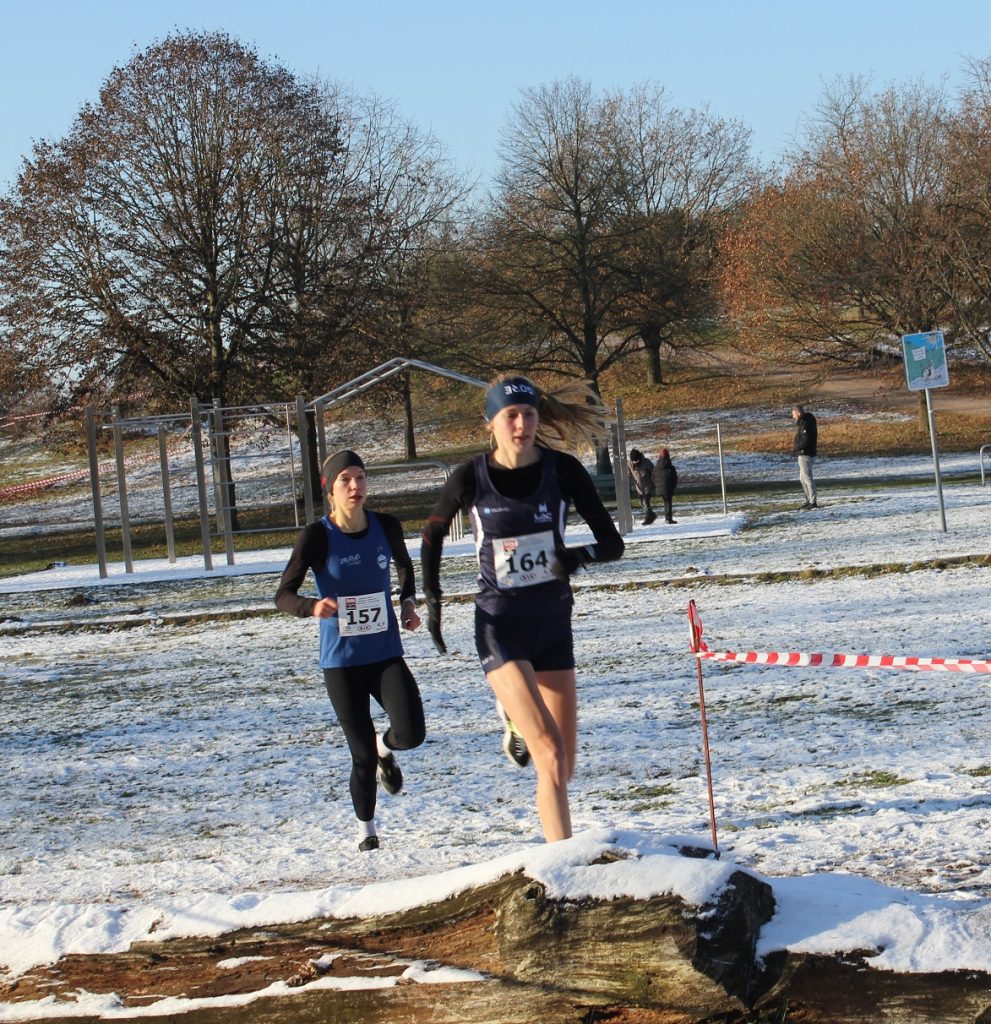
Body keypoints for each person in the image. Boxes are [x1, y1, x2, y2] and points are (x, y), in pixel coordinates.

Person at [420, 374, 625, 843]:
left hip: (554, 625)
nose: (522, 424)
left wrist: (577, 557)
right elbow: (431, 536)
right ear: (489, 423)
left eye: (529, 414)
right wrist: (433, 603)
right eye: (510, 416)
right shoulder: (471, 477)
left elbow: (612, 544)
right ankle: (566, 872)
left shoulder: (563, 470)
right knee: (548, 754)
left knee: (562, 766)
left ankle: (517, 717)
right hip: (500, 626)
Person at [275, 449, 426, 853]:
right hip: (341, 663)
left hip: (384, 654)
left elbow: (405, 567)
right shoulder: (316, 536)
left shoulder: (386, 526)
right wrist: (313, 606)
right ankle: (367, 833)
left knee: (412, 733)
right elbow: (282, 595)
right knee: (359, 757)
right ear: (330, 490)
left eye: (360, 477)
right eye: (345, 480)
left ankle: (386, 747)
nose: (355, 486)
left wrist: (408, 602)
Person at [792, 404, 818, 510]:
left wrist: (797, 447)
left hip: (805, 453)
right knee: (803, 479)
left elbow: (806, 440)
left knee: (807, 478)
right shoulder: (804, 422)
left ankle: (812, 501)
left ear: (798, 413)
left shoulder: (805, 424)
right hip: (803, 453)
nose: (793, 416)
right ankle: (808, 500)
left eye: (793, 414)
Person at [627, 448, 655, 525]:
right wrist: (631, 479)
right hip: (639, 488)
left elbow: (653, 471)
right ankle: (652, 515)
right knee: (641, 503)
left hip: (647, 486)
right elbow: (629, 473)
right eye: (634, 461)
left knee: (645, 502)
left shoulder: (646, 462)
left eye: (636, 460)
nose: (635, 462)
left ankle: (647, 519)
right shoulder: (630, 464)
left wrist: (653, 480)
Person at [651, 448, 679, 524]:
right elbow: (674, 478)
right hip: (668, 488)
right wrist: (673, 486)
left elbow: (653, 478)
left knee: (666, 502)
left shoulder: (656, 467)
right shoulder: (670, 467)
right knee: (668, 503)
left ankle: (667, 517)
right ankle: (668, 518)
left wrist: (656, 486)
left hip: (660, 489)